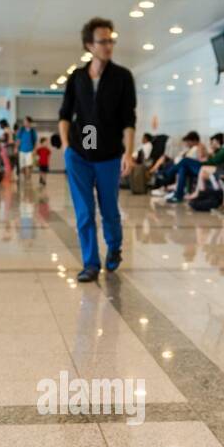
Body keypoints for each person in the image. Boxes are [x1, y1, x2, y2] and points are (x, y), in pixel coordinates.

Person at [59, 16, 136, 282]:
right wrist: (68, 147)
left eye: (110, 40)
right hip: (82, 151)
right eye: (102, 41)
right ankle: (90, 263)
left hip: (109, 153)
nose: (108, 46)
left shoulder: (122, 77)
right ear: (89, 45)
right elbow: (65, 114)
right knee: (84, 212)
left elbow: (129, 119)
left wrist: (128, 152)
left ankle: (114, 247)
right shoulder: (78, 77)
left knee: (109, 209)